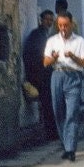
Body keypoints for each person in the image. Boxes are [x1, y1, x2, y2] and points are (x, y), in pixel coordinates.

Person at [44, 10, 84, 161]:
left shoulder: (79, 41)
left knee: (72, 113)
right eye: (60, 25)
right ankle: (66, 144)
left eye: (66, 25)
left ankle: (70, 149)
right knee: (58, 112)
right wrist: (54, 57)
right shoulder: (52, 41)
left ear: (71, 24)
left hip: (73, 77)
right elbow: (45, 62)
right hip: (57, 75)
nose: (63, 28)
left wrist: (74, 56)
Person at [22, 9, 58, 141]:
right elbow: (37, 56)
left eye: (51, 20)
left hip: (43, 74)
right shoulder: (37, 35)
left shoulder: (44, 35)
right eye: (47, 19)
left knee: (49, 103)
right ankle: (51, 133)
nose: (49, 22)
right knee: (48, 104)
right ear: (41, 20)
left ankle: (52, 132)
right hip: (39, 75)